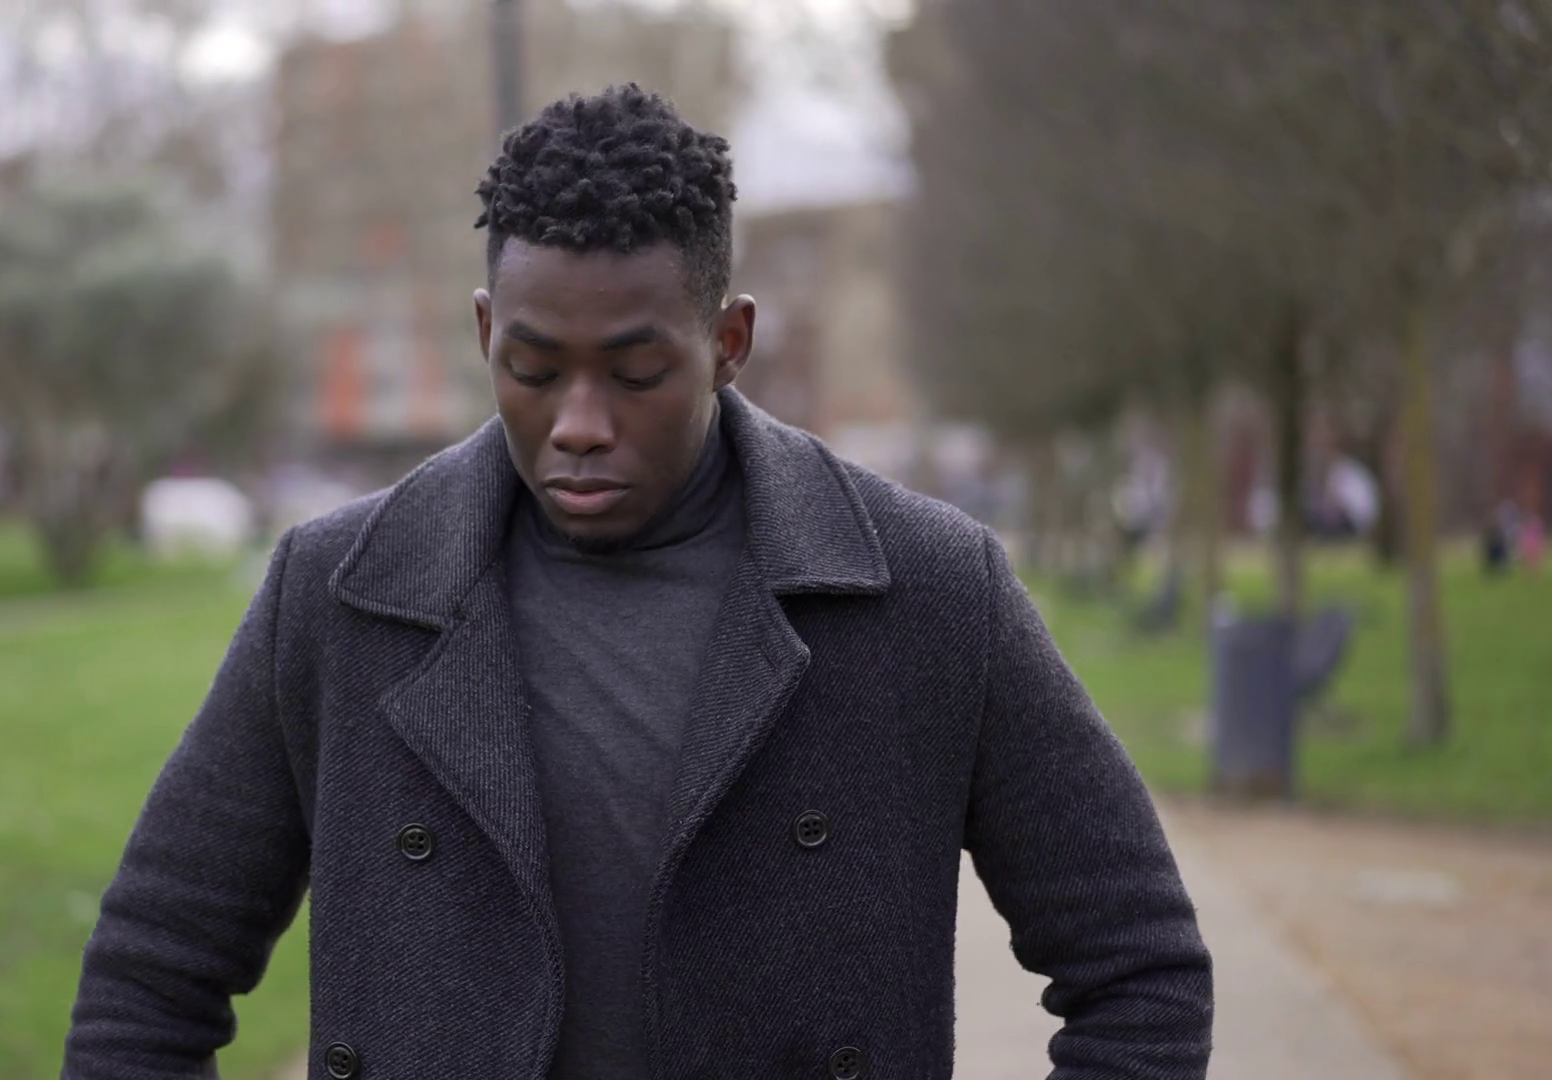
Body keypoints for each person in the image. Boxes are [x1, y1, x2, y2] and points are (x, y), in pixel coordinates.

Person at [62, 85, 1212, 1080]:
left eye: (636, 372)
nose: (578, 423)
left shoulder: (927, 592)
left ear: (730, 341)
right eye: (533, 368)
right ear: (484, 332)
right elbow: (151, 975)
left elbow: (1138, 968)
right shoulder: (342, 594)